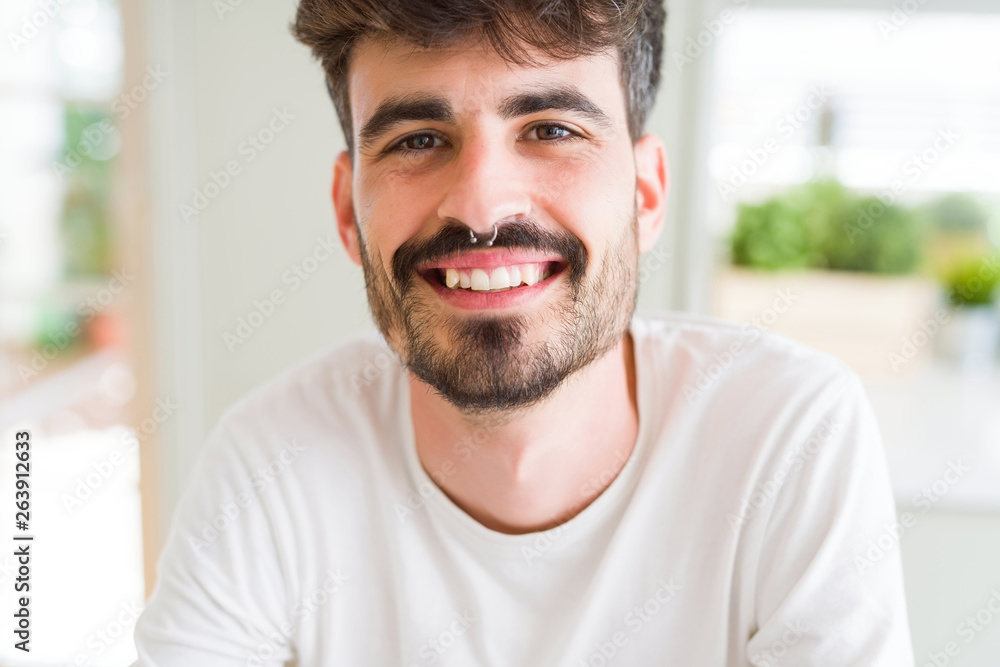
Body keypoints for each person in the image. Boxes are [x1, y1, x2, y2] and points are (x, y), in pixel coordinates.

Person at [134, 0, 915, 664]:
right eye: (416, 140)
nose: (480, 205)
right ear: (347, 210)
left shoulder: (788, 434)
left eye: (550, 129)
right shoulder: (270, 465)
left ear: (645, 193)